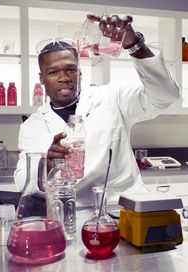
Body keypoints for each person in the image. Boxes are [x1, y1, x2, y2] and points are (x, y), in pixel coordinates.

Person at [14, 14, 180, 207]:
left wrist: (133, 44)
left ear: (80, 73)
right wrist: (46, 165)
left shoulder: (110, 97)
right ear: (41, 78)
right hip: (70, 214)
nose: (64, 77)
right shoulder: (32, 126)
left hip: (122, 211)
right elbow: (22, 181)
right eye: (53, 72)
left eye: (70, 69)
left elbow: (166, 96)